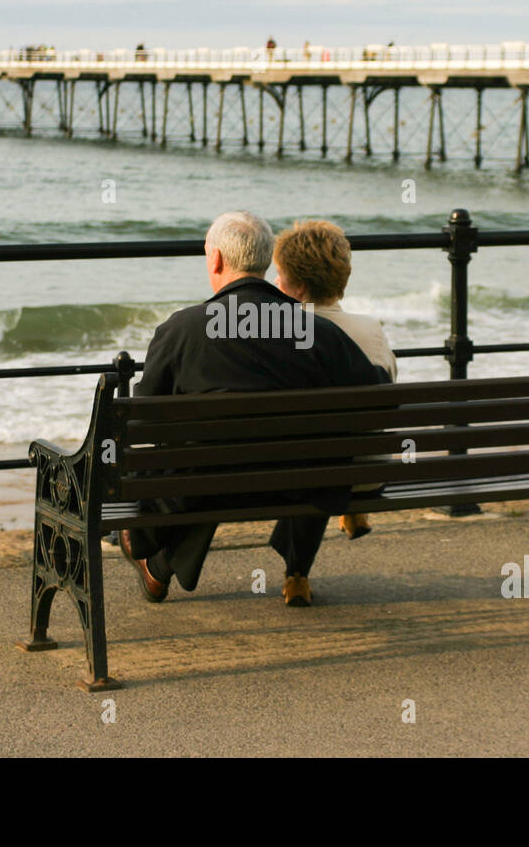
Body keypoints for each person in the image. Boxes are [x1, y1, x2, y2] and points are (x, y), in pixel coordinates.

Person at [119, 211, 387, 608]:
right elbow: (378, 398)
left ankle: (153, 555)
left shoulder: (181, 329)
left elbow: (141, 420)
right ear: (265, 263)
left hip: (203, 489)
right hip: (297, 485)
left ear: (216, 260)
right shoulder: (317, 331)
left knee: (195, 460)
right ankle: (159, 561)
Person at [273, 219, 396, 540]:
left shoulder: (279, 332)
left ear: (298, 286)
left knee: (310, 459)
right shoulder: (372, 328)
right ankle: (353, 510)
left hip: (305, 482)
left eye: (280, 274)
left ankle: (296, 576)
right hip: (371, 474)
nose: (274, 280)